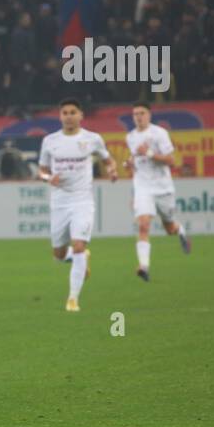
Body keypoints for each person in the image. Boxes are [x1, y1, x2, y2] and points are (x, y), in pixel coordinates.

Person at [37, 99, 118, 312]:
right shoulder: (50, 141)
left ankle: (73, 299)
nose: (69, 116)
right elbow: (42, 170)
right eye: (65, 112)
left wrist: (112, 170)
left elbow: (108, 160)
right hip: (59, 203)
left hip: (82, 201)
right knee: (59, 255)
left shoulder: (92, 139)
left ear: (81, 115)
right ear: (60, 116)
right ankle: (77, 257)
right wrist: (48, 179)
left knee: (79, 244)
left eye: (73, 112)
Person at [125, 101, 190, 281]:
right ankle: (144, 266)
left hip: (162, 187)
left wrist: (150, 154)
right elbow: (135, 161)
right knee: (143, 224)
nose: (138, 117)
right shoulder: (130, 136)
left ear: (149, 115)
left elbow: (171, 161)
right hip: (143, 188)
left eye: (142, 113)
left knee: (169, 228)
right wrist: (129, 164)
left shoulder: (159, 134)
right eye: (135, 114)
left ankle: (181, 230)